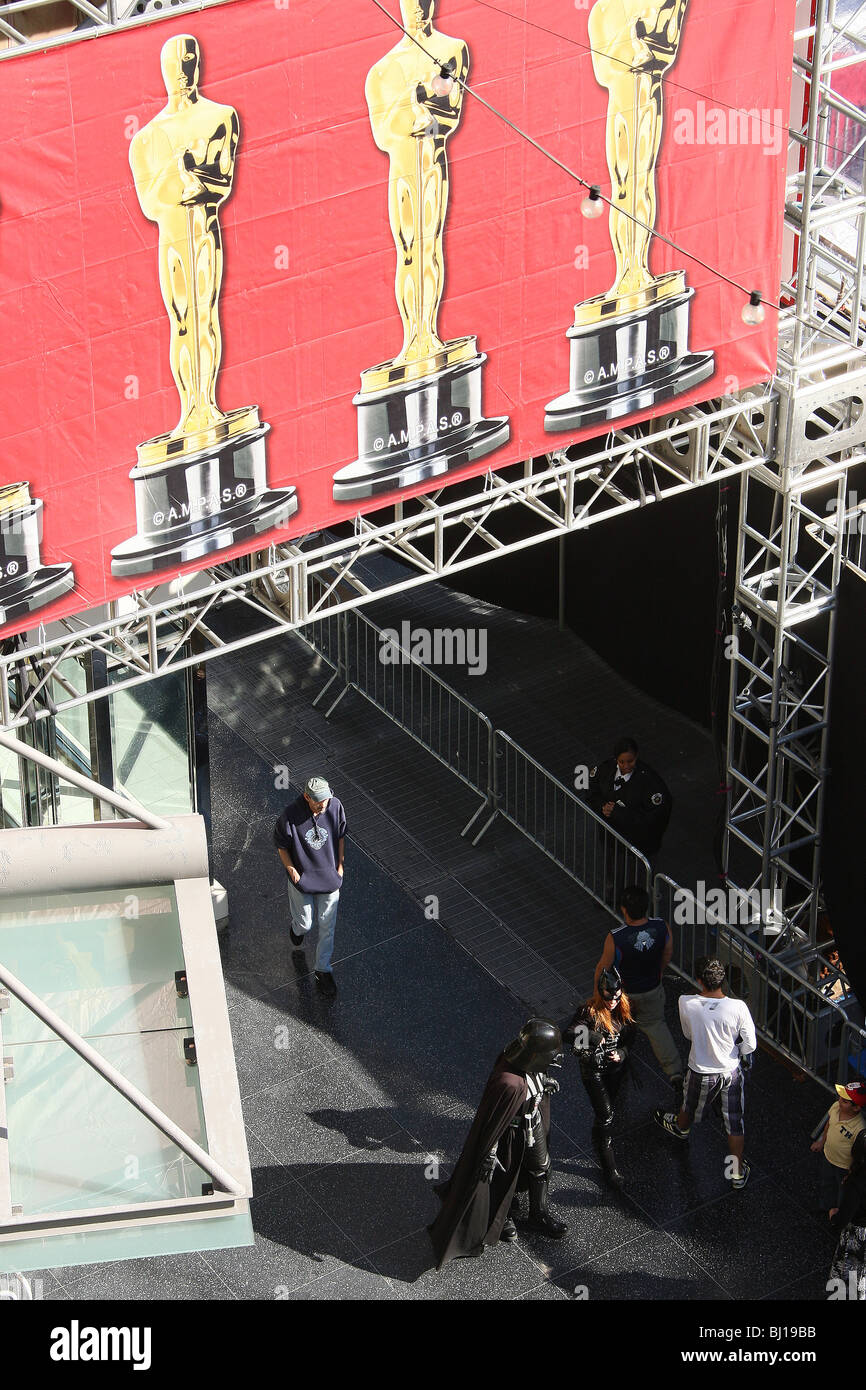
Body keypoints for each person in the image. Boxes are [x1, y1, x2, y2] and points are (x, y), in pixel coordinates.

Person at [428, 1019, 568, 1267]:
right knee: (502, 1179)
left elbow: (533, 1081)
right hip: (509, 1135)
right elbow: (494, 1121)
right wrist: (490, 1150)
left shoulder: (529, 1064)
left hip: (531, 1123)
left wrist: (543, 1085)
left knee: (541, 1167)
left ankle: (539, 1213)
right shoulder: (508, 1081)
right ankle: (499, 1219)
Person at [653, 956, 756, 1188]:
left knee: (689, 1106)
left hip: (701, 1071)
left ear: (699, 980)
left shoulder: (686, 1002)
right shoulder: (738, 1007)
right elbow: (750, 1044)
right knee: (735, 1122)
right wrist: (735, 1050)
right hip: (731, 1072)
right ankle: (737, 1174)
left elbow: (688, 1034)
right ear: (723, 980)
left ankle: (680, 1129)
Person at [595, 885, 684, 1110]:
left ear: (624, 910)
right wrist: (659, 972)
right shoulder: (661, 927)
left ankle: (612, 1063)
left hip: (625, 996)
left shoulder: (616, 938)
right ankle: (676, 1076)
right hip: (652, 990)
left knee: (615, 1026)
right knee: (657, 1028)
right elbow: (667, 953)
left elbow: (603, 969)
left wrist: (598, 996)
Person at [273, 776, 346, 997]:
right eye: (318, 802)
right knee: (305, 922)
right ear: (307, 797)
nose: (323, 805)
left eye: (326, 800)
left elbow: (341, 834)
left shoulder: (335, 806)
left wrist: (340, 865)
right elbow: (281, 845)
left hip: (329, 879)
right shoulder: (290, 816)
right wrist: (292, 871)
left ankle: (323, 970)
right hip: (304, 879)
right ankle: (297, 929)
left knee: (327, 926)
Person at [565, 967, 636, 1189]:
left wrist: (621, 1054)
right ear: (600, 993)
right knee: (606, 1115)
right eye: (608, 997)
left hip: (615, 1070)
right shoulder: (589, 1011)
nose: (612, 1001)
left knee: (608, 1111)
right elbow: (568, 1034)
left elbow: (631, 1040)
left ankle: (599, 1137)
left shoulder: (624, 1008)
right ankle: (609, 1166)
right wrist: (595, 1038)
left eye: (616, 997)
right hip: (593, 1071)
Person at [587, 736, 672, 860]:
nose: (626, 766)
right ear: (616, 759)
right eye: (621, 762)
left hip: (637, 848)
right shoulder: (605, 769)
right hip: (611, 839)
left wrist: (618, 813)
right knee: (612, 870)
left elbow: (654, 819)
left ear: (636, 756)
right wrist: (602, 806)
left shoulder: (650, 783)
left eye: (630, 761)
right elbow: (592, 790)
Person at [812, 1082, 866, 1218]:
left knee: (843, 1191)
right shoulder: (836, 1107)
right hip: (828, 1156)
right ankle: (826, 1206)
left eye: (844, 1101)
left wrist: (851, 1172)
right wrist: (821, 1142)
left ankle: (839, 1214)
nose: (839, 1101)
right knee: (827, 1183)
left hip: (844, 1166)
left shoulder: (859, 1128)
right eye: (840, 1097)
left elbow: (859, 1155)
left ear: (856, 1108)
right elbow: (828, 1125)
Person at [828, 1130, 866, 1301]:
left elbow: (844, 1217)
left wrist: (835, 1218)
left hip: (860, 1233)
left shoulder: (857, 1181)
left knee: (850, 1271)